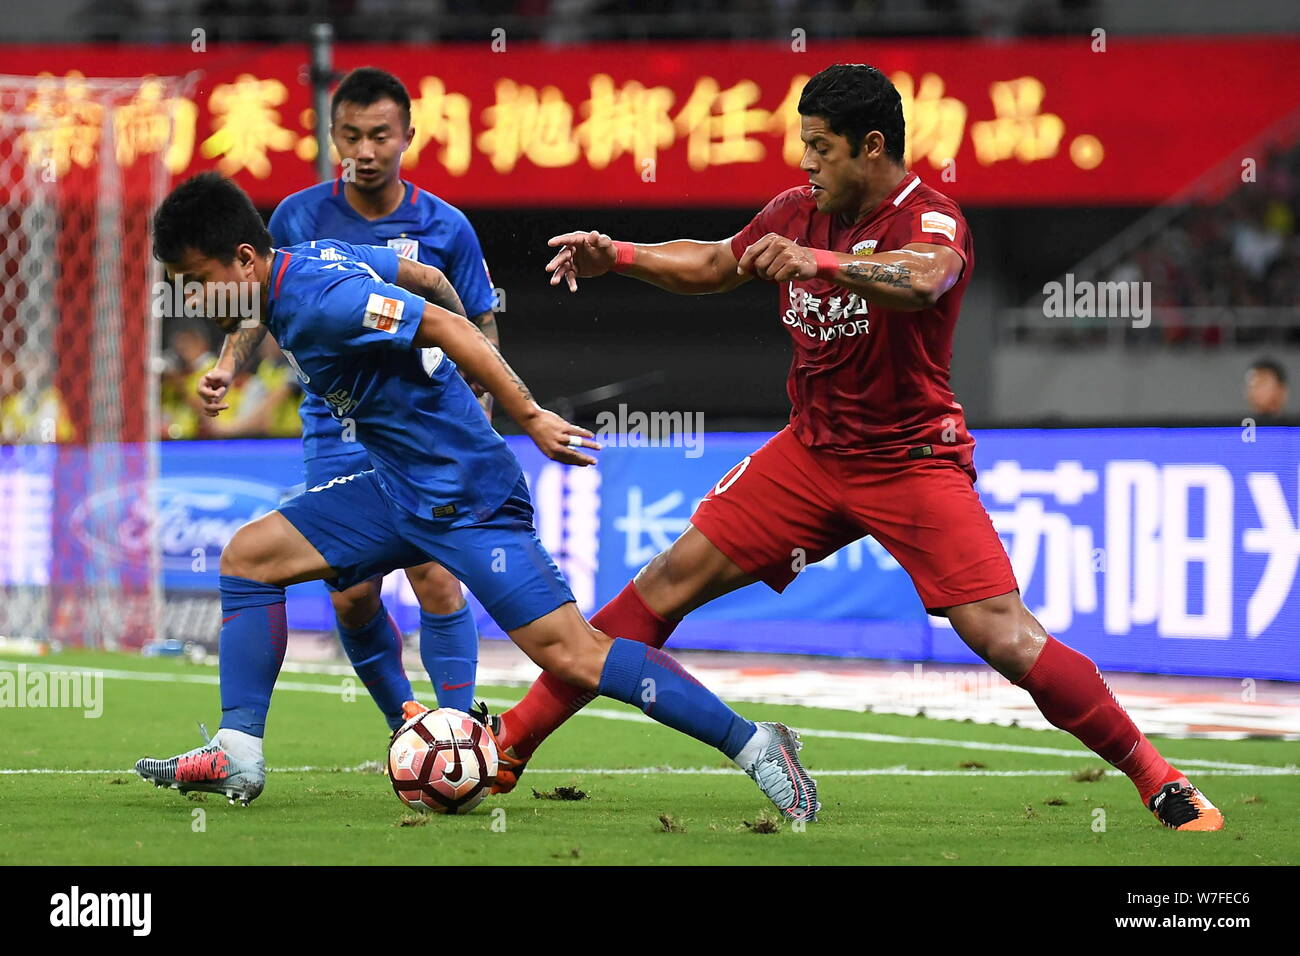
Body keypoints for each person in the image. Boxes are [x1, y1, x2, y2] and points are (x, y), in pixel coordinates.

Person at [486, 63, 1223, 832]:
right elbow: (713, 263)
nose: (806, 163)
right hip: (810, 455)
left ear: (872, 147)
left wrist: (825, 264)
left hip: (911, 462)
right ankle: (512, 742)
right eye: (803, 145)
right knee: (666, 580)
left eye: (820, 147)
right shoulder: (795, 209)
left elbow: (924, 282)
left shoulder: (932, 218)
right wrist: (623, 257)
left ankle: (1158, 777)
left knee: (1001, 635)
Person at [134, 172, 819, 822]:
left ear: (246, 259)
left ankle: (757, 744)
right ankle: (240, 753)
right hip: (397, 489)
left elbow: (445, 322)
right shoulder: (297, 269)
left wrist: (526, 414)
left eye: (198, 282)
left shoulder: (323, 296)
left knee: (574, 655)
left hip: (468, 497)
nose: (192, 299)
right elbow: (426, 276)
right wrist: (238, 363)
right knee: (249, 557)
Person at [200, 68, 496, 728]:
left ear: (408, 136)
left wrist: (484, 395)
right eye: (351, 136)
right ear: (332, 136)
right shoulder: (296, 217)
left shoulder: (447, 226)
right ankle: (408, 728)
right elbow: (256, 307)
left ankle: (459, 729)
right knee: (351, 594)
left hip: (420, 427)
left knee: (434, 575)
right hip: (335, 427)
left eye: (380, 136)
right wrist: (228, 367)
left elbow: (478, 316)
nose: (365, 152)